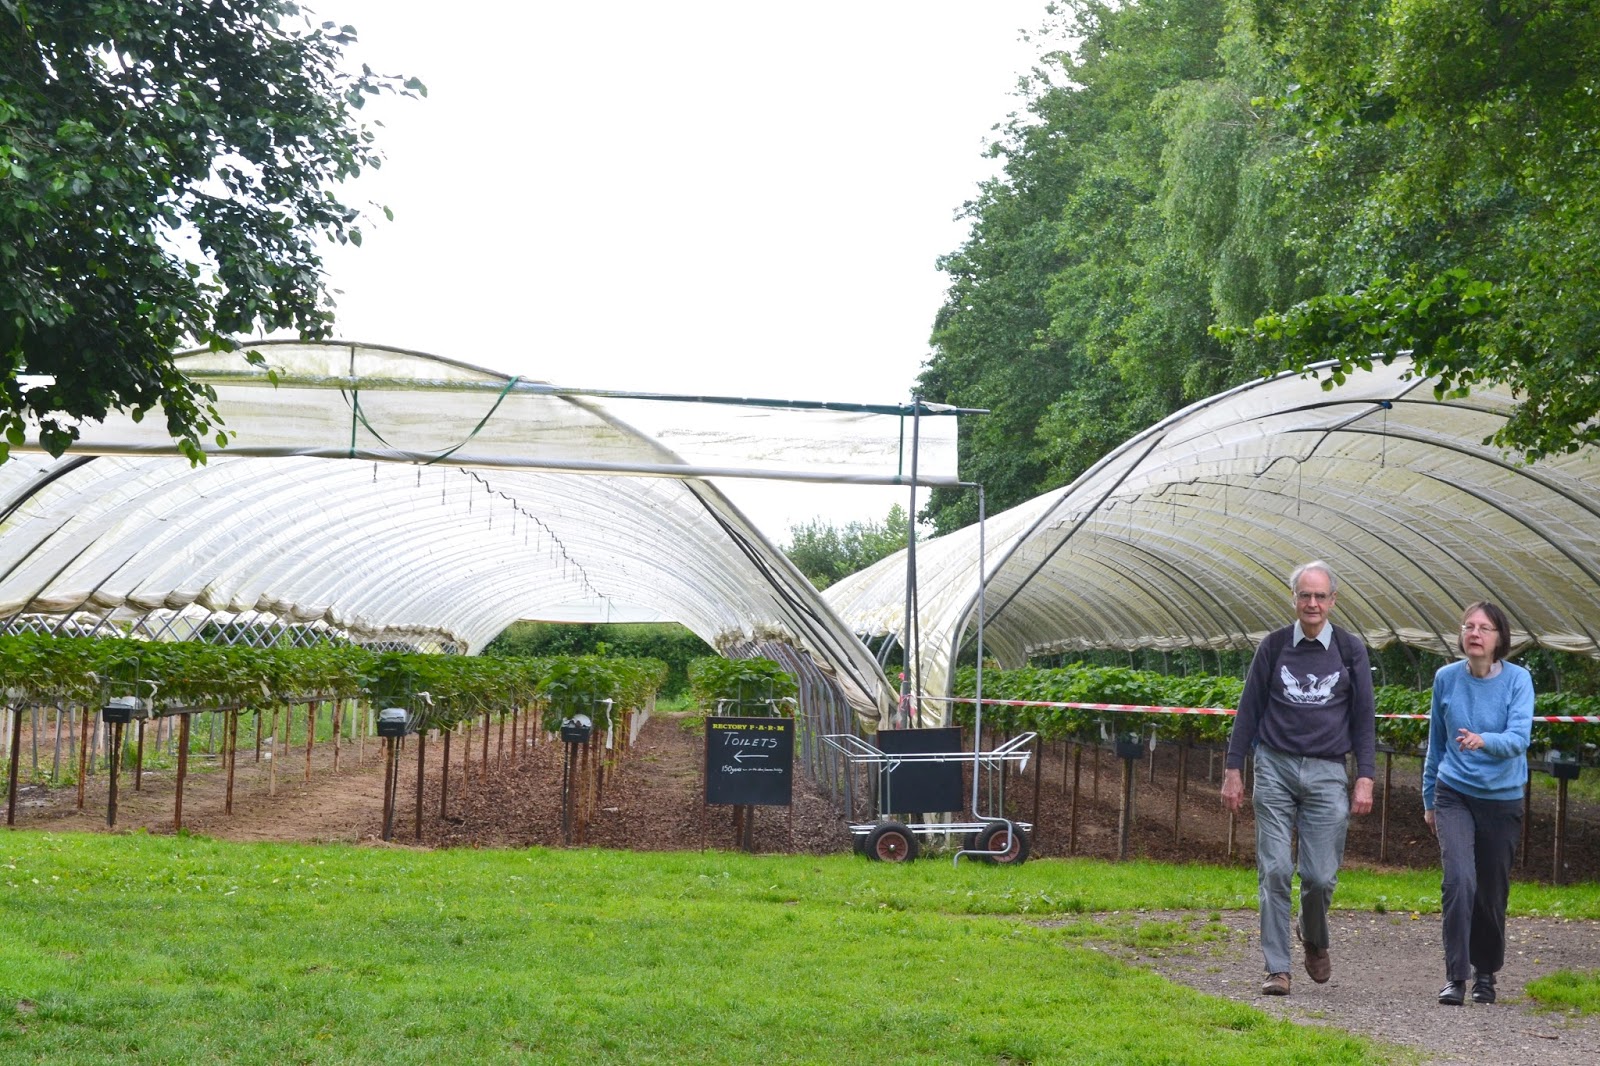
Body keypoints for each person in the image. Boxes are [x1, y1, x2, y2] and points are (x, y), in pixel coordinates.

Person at [1222, 561, 1376, 996]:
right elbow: (1248, 709)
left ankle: (1314, 936)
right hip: (1275, 766)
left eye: (1320, 596)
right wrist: (1234, 769)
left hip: (1328, 771)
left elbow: (1364, 718)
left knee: (1320, 877)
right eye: (1305, 595)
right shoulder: (1273, 648)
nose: (1312, 603)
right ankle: (1277, 967)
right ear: (1294, 599)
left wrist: (1365, 776)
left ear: (1333, 601)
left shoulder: (1349, 650)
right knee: (1274, 868)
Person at [1422, 601, 1533, 1007]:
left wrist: (1483, 739)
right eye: (1468, 626)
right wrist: (1429, 799)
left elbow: (1519, 739)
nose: (1475, 633)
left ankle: (1485, 973)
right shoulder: (1446, 678)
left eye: (1484, 628)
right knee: (1458, 880)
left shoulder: (1518, 681)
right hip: (1454, 792)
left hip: (1502, 800)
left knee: (1490, 891)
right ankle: (1456, 976)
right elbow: (1436, 742)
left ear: (1499, 637)